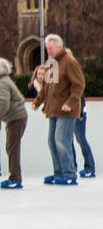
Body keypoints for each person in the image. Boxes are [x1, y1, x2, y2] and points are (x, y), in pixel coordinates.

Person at [30, 33, 87, 185]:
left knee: (62, 140)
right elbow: (46, 87)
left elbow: (79, 85)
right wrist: (38, 101)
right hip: (53, 109)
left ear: (59, 47)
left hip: (67, 110)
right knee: (52, 141)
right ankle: (59, 172)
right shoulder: (50, 63)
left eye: (51, 48)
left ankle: (69, 174)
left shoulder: (69, 62)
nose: (48, 51)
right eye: (47, 48)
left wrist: (71, 102)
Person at [0, 57, 27, 189]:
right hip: (15, 118)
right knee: (11, 147)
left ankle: (15, 178)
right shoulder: (4, 81)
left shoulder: (2, 83)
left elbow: (3, 103)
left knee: (12, 148)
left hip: (16, 118)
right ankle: (14, 176)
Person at [76, 100, 96, 179]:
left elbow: (80, 95)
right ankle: (71, 167)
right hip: (69, 113)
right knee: (68, 141)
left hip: (79, 112)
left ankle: (90, 167)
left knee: (81, 139)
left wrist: (80, 111)